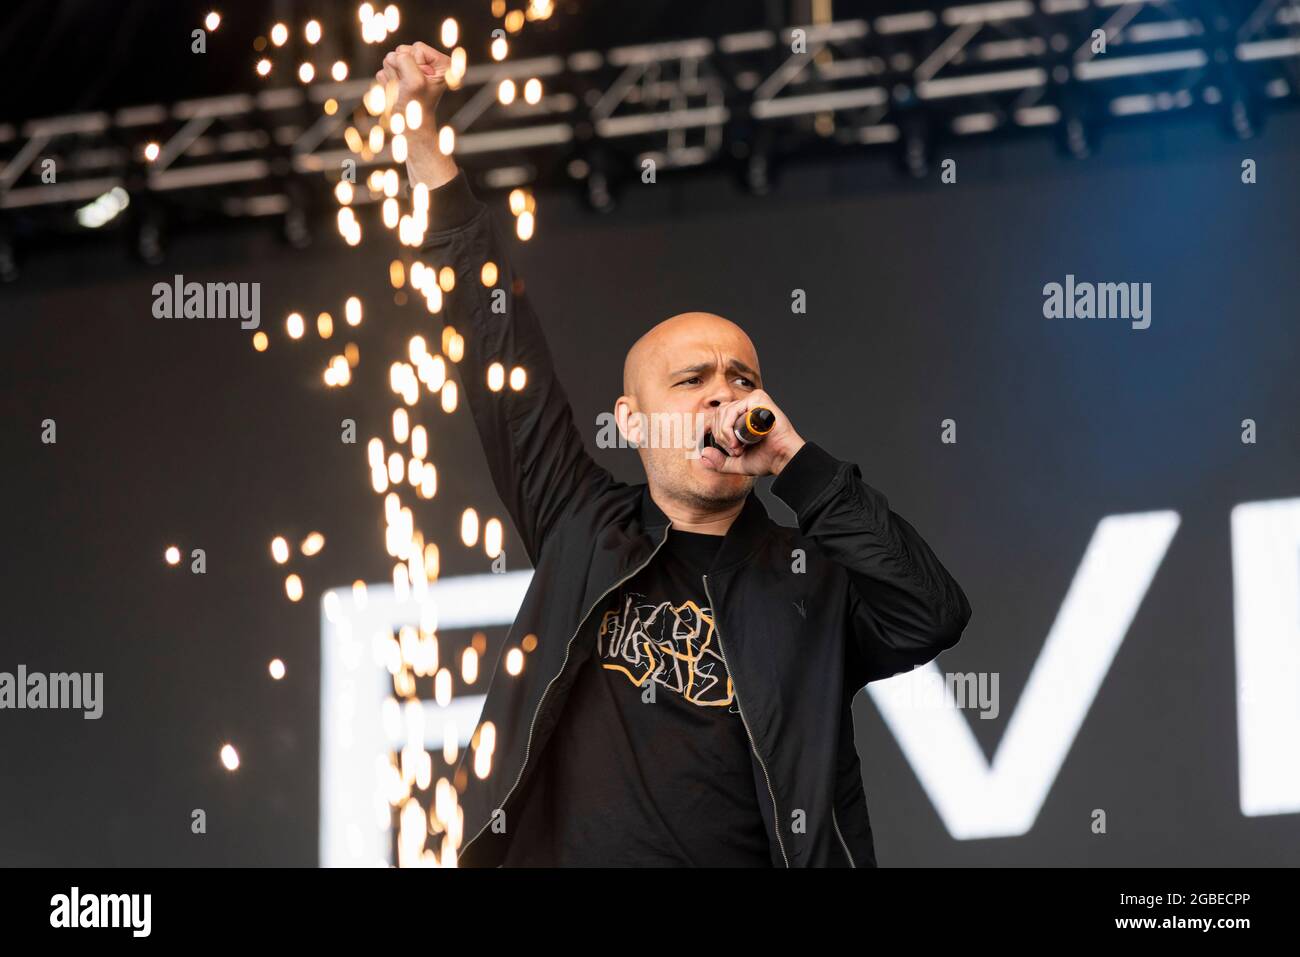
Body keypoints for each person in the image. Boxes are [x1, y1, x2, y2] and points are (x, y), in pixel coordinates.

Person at [377, 42, 972, 867]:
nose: (723, 395)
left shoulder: (804, 579)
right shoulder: (578, 520)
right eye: (692, 379)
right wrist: (422, 131)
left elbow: (931, 610)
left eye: (742, 379)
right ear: (630, 420)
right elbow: (488, 326)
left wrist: (794, 460)